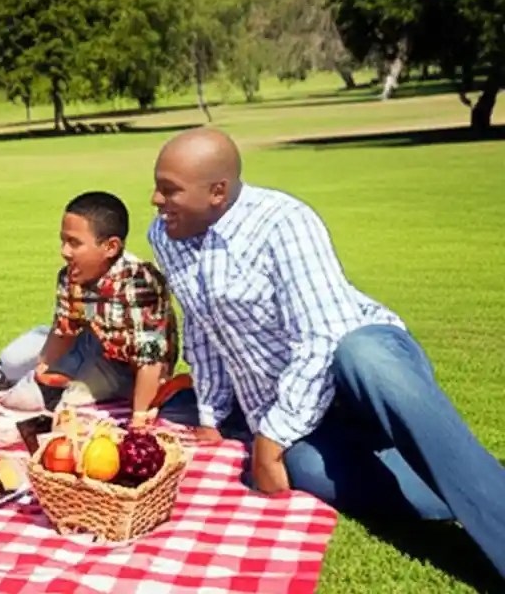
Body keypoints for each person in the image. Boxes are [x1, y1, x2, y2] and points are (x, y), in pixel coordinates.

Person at [147, 126, 505, 578]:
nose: (156, 201)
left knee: (362, 353)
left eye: (168, 190)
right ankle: (473, 479)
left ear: (217, 192)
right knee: (305, 469)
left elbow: (324, 335)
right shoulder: (165, 236)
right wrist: (212, 419)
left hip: (363, 375)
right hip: (305, 412)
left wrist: (271, 440)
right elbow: (204, 329)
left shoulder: (283, 223)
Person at [0, 192, 188, 426]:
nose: (64, 252)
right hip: (89, 341)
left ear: (110, 247)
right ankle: (31, 378)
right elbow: (63, 330)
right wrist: (41, 370)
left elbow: (151, 361)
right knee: (11, 362)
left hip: (126, 367)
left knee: (61, 402)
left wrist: (138, 419)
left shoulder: (139, 285)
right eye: (63, 241)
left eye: (74, 243)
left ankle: (69, 388)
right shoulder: (71, 276)